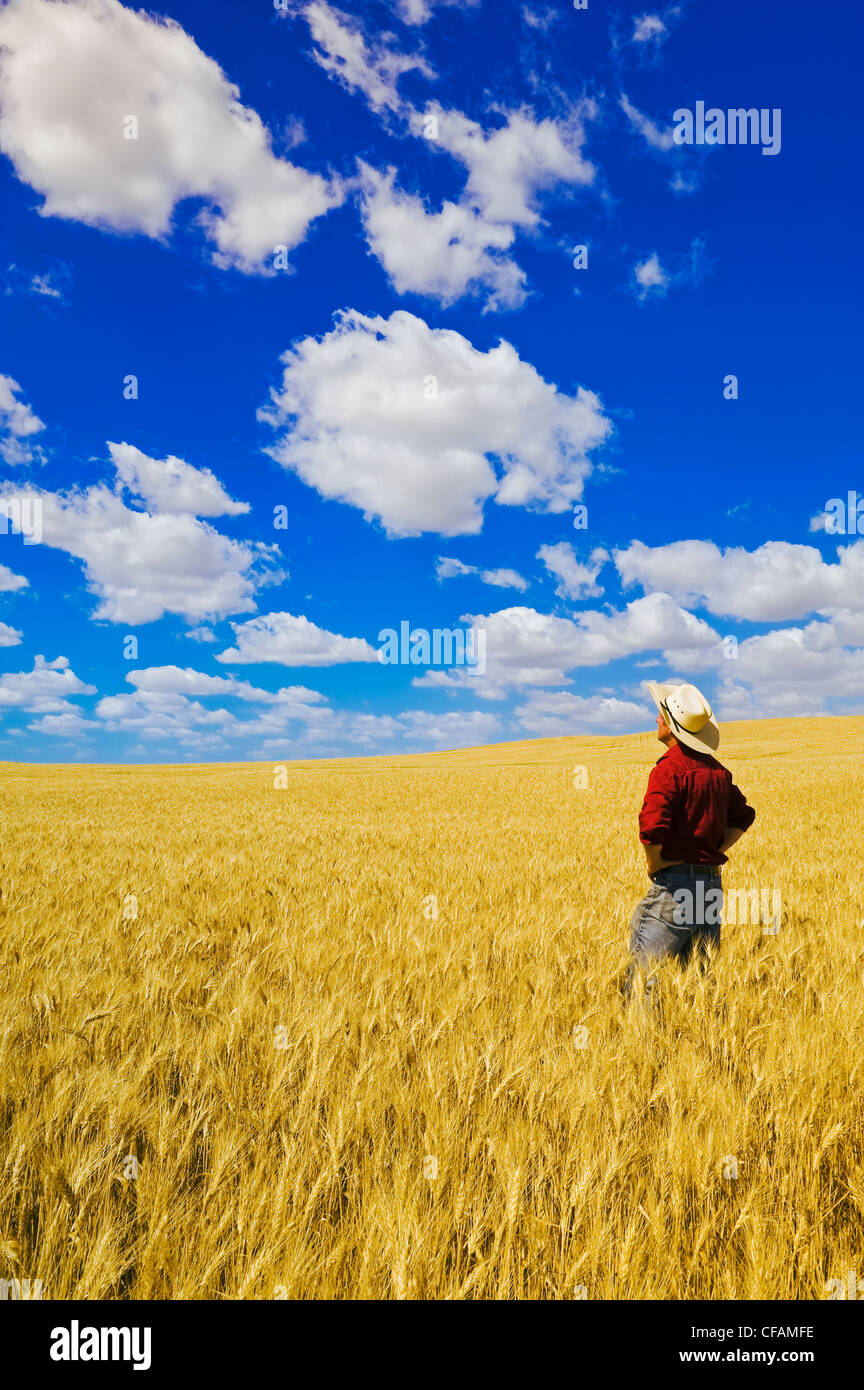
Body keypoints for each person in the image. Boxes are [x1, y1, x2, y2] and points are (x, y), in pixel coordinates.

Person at [627, 681, 755, 997]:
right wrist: (711, 851)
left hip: (675, 888)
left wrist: (655, 862)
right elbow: (744, 816)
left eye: (660, 715)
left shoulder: (669, 769)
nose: (656, 719)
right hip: (710, 888)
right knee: (700, 985)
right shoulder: (718, 772)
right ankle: (704, 1044)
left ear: (671, 726)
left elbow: (652, 824)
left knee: (644, 982)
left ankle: (644, 1045)